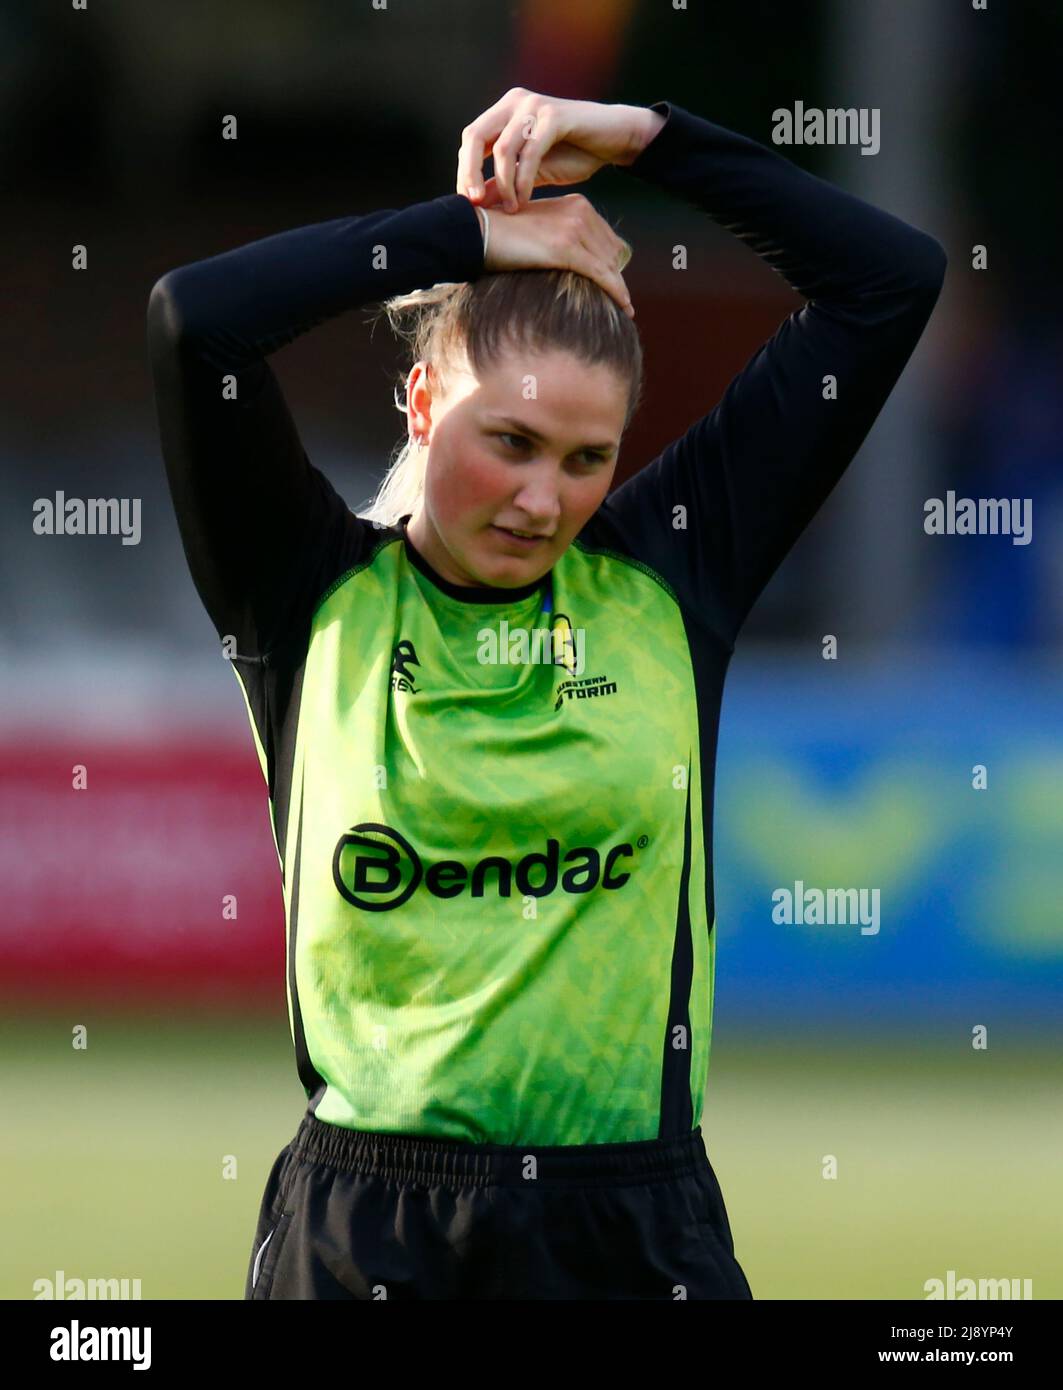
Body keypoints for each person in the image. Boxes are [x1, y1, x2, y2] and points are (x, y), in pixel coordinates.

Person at [146, 88, 946, 1300]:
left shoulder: (673, 576)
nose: (541, 499)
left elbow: (890, 280)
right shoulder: (304, 597)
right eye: (507, 441)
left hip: (636, 1230)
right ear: (423, 406)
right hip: (367, 1237)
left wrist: (650, 139)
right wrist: (465, 235)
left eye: (586, 458)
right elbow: (192, 323)